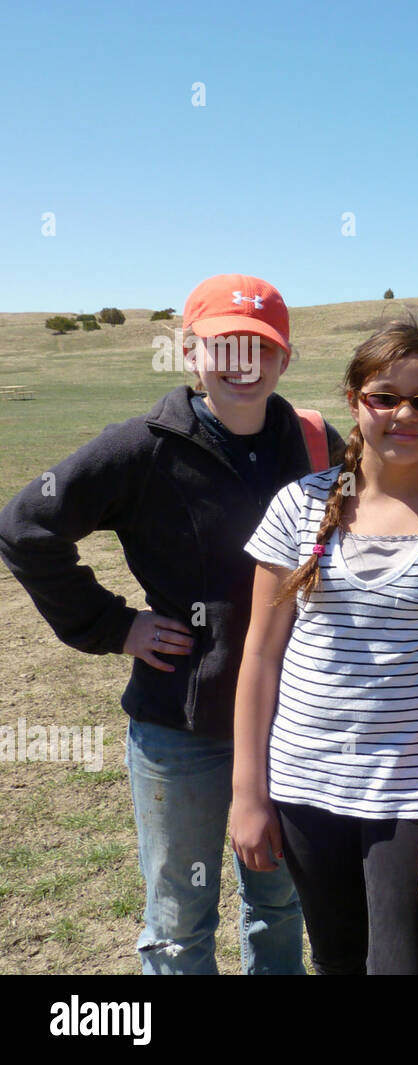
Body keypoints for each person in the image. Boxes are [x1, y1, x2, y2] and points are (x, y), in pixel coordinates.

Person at [0, 274, 345, 973]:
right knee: (179, 924)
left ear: (285, 359)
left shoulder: (314, 443)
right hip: (177, 727)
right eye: (225, 346)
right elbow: (25, 526)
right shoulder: (142, 448)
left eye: (261, 347)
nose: (243, 364)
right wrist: (113, 623)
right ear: (189, 353)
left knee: (279, 904)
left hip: (290, 723)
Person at [230, 318, 418, 975]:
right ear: (355, 401)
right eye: (385, 396)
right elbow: (261, 655)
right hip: (303, 784)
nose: (404, 414)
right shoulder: (299, 505)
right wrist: (248, 791)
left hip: (408, 796)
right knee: (337, 959)